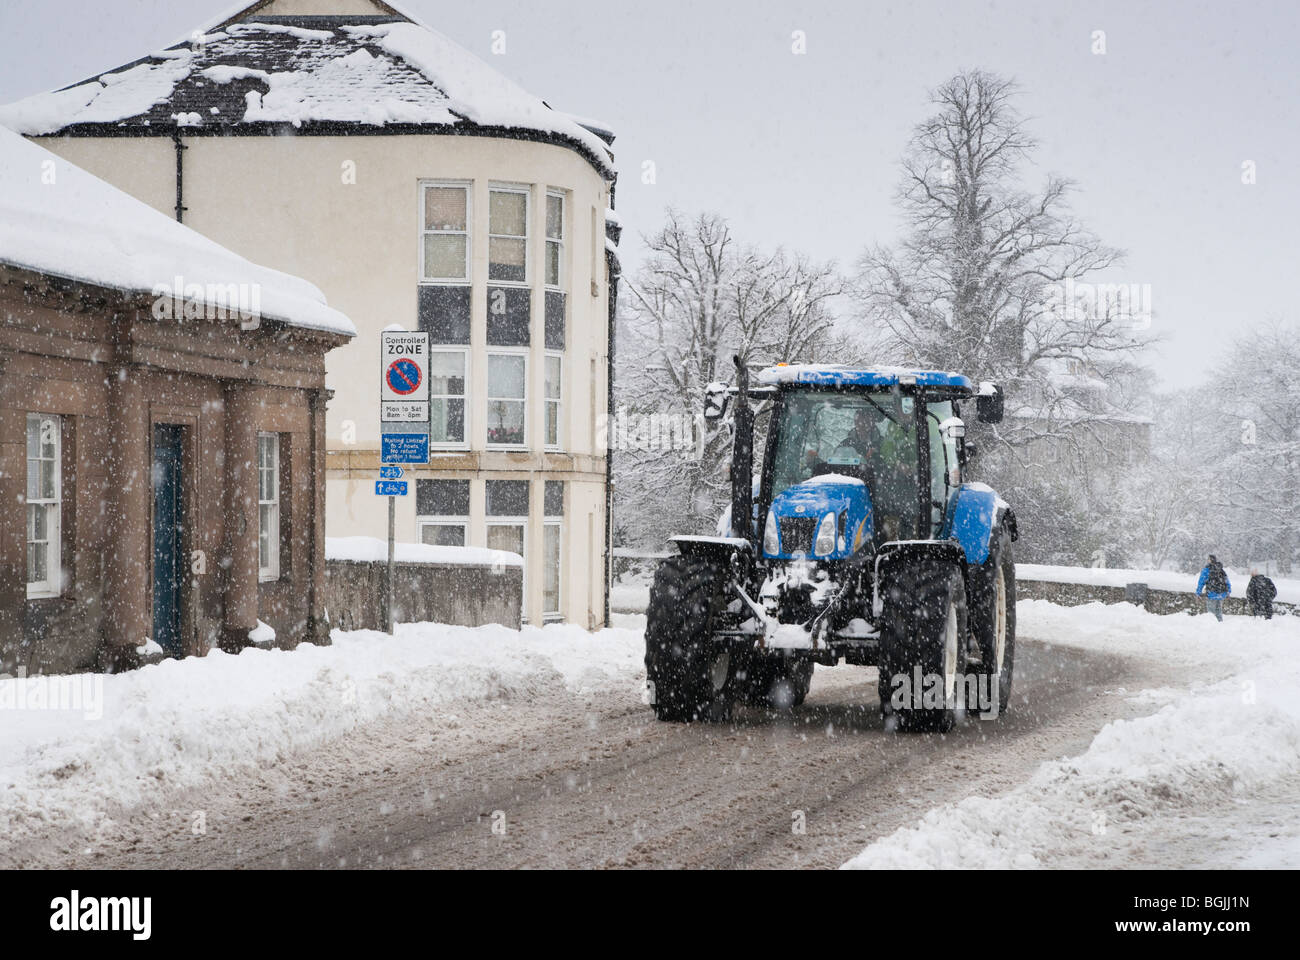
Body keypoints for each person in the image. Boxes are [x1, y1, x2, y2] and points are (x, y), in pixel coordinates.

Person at [1195, 554, 1232, 622]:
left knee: (1211, 614)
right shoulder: (1220, 569)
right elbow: (1227, 581)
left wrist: (1198, 593)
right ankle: (1220, 625)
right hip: (1221, 594)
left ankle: (1212, 628)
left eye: (1208, 559)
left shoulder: (1206, 570)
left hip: (1211, 594)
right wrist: (1228, 591)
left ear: (1209, 560)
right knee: (1219, 613)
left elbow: (1201, 582)